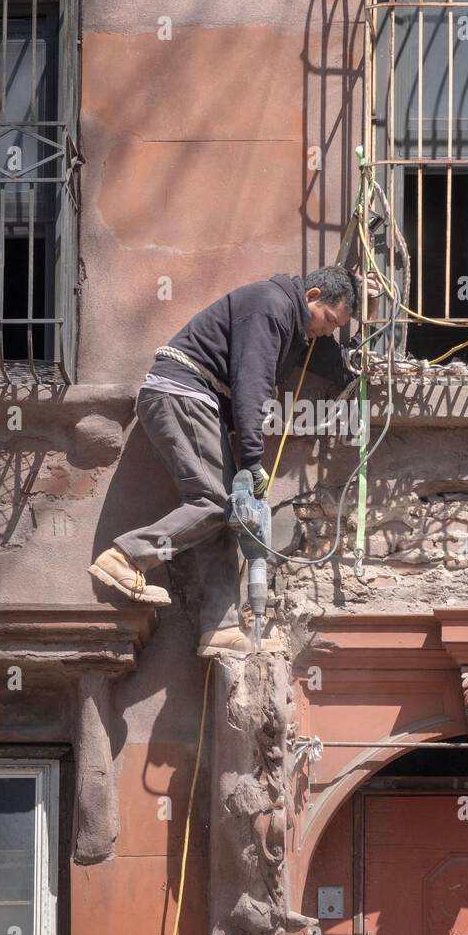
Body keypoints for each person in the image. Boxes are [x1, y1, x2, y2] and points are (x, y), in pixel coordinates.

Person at [89, 267, 367, 657]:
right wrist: (252, 460)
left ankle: (219, 628)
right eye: (330, 321)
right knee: (215, 503)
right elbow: (250, 384)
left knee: (224, 515)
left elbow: (340, 367)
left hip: (194, 402)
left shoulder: (292, 323)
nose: (327, 330)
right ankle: (126, 557)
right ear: (312, 295)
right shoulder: (271, 307)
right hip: (182, 394)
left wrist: (370, 311)